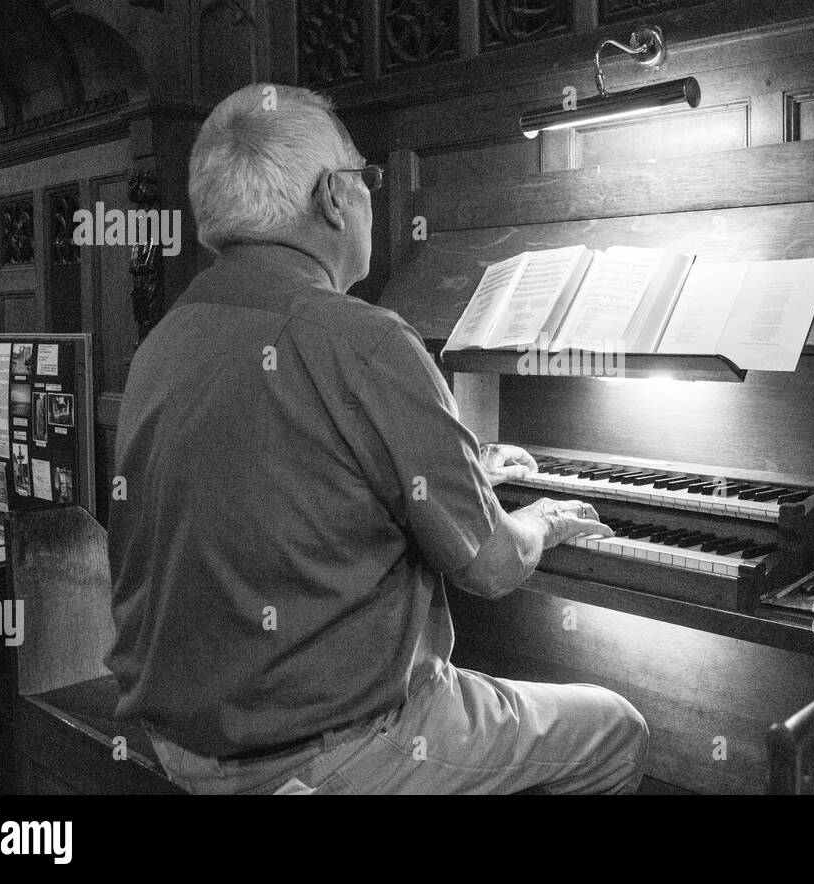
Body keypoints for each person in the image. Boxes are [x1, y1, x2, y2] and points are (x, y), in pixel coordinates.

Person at [106, 83, 648, 794]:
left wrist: (461, 470)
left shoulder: (167, 338)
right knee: (616, 728)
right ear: (333, 197)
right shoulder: (362, 338)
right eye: (367, 179)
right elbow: (489, 567)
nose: (369, 197)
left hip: (181, 739)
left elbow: (277, 471)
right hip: (317, 754)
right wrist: (542, 520)